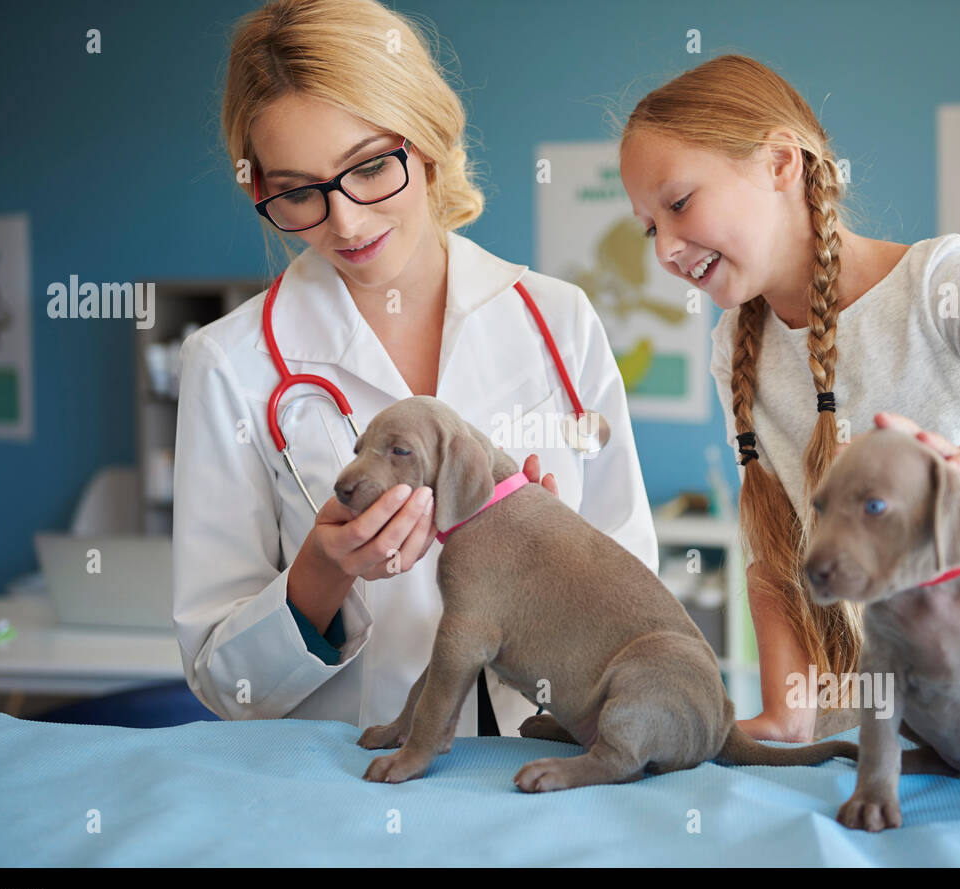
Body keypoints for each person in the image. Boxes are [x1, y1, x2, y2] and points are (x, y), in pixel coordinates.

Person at [172, 0, 656, 736]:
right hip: (352, 782)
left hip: (550, 763)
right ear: (258, 188)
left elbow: (635, 601)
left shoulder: (559, 322)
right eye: (300, 190)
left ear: (427, 140)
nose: (348, 221)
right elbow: (224, 684)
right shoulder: (229, 364)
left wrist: (562, 568)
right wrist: (323, 575)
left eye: (369, 167)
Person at [619, 54, 960, 742]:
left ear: (780, 163)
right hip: (883, 746)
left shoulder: (940, 282)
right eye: (651, 226)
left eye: (679, 203)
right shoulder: (733, 346)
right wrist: (787, 711)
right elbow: (773, 557)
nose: (666, 251)